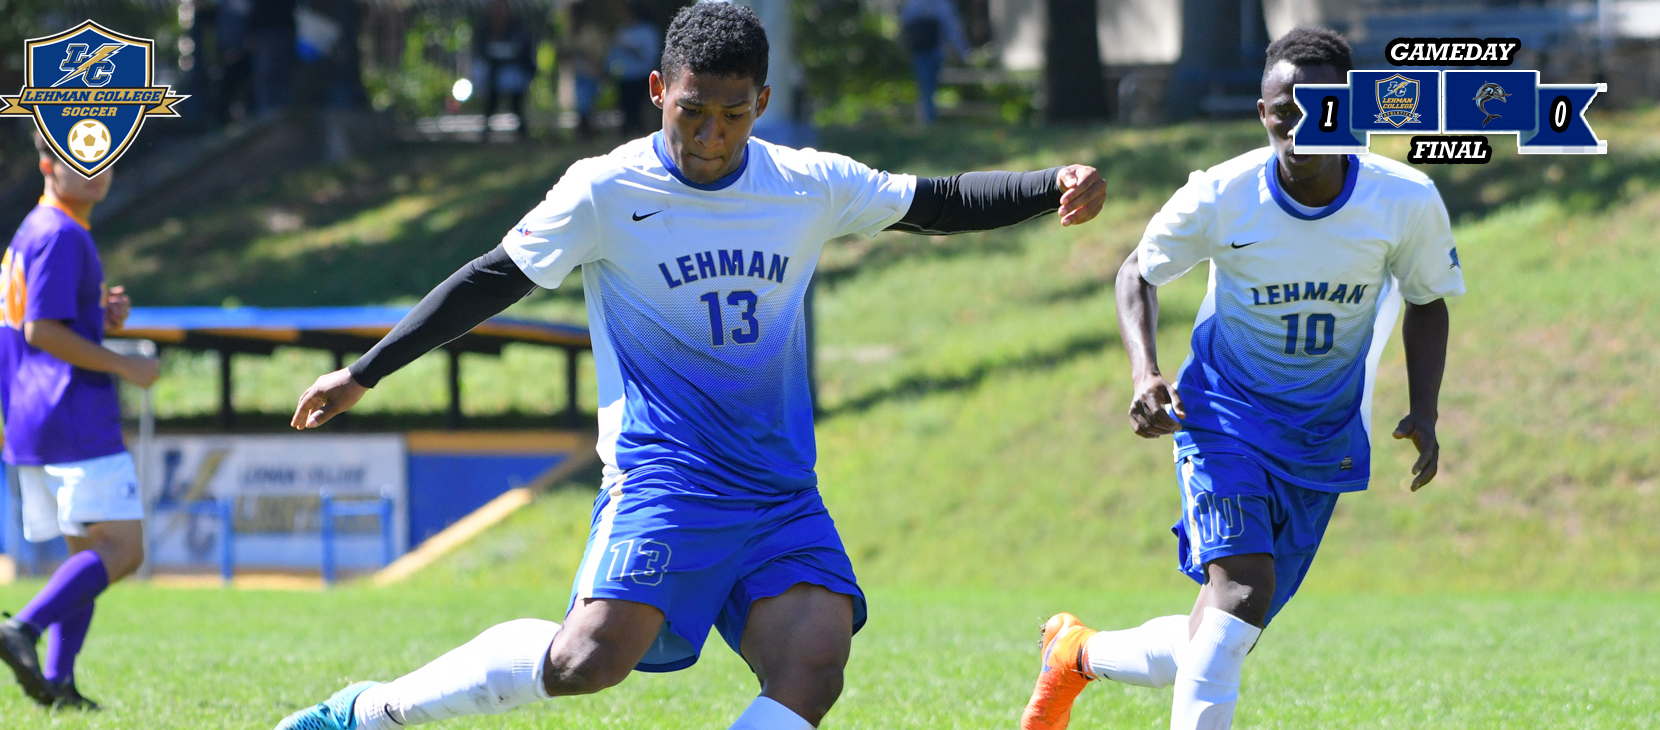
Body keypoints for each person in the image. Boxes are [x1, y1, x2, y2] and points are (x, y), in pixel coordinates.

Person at [275, 4, 1106, 730]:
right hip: (665, 477)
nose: (711, 138)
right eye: (692, 112)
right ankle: (370, 712)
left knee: (815, 665)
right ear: (656, 93)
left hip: (778, 486)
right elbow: (493, 277)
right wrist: (366, 372)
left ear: (763, 105)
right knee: (588, 662)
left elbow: (936, 203)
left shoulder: (806, 184)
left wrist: (1050, 183)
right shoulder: (604, 190)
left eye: (734, 116)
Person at [1020, 28, 1464, 730]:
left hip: (1319, 439)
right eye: (1283, 112)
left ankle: (1074, 653)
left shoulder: (1403, 199)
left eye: (1320, 108)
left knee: (1220, 635)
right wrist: (1146, 372)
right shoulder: (1222, 195)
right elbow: (1137, 270)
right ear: (1263, 115)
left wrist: (1426, 408)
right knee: (1241, 597)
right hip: (1222, 417)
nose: (1299, 127)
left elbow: (1426, 296)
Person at [0, 133, 161, 711]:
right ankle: (23, 627)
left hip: (33, 413)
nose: (95, 169)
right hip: (71, 412)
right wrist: (127, 365)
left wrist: (99, 316)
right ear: (48, 164)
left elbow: (45, 321)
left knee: (86, 552)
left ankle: (59, 684)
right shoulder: (61, 233)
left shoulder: (36, 229)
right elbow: (42, 331)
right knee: (123, 549)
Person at [901, 0, 969, 125]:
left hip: (925, 51)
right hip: (929, 51)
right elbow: (952, 28)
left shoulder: (914, 4)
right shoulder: (942, 4)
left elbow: (905, 25)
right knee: (928, 85)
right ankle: (928, 118)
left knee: (927, 84)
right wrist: (963, 52)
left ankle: (927, 116)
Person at [477, 0, 536, 139]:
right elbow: (481, 50)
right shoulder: (485, 28)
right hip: (492, 71)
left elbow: (524, 51)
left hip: (515, 70)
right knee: (492, 90)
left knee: (515, 89)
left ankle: (521, 127)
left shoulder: (518, 27)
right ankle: (486, 126)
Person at [608, 3, 661, 136]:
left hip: (641, 75)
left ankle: (640, 131)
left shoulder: (648, 31)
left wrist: (632, 48)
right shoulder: (622, 31)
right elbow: (614, 54)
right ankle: (627, 132)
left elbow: (651, 55)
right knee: (625, 106)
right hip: (625, 76)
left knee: (640, 107)